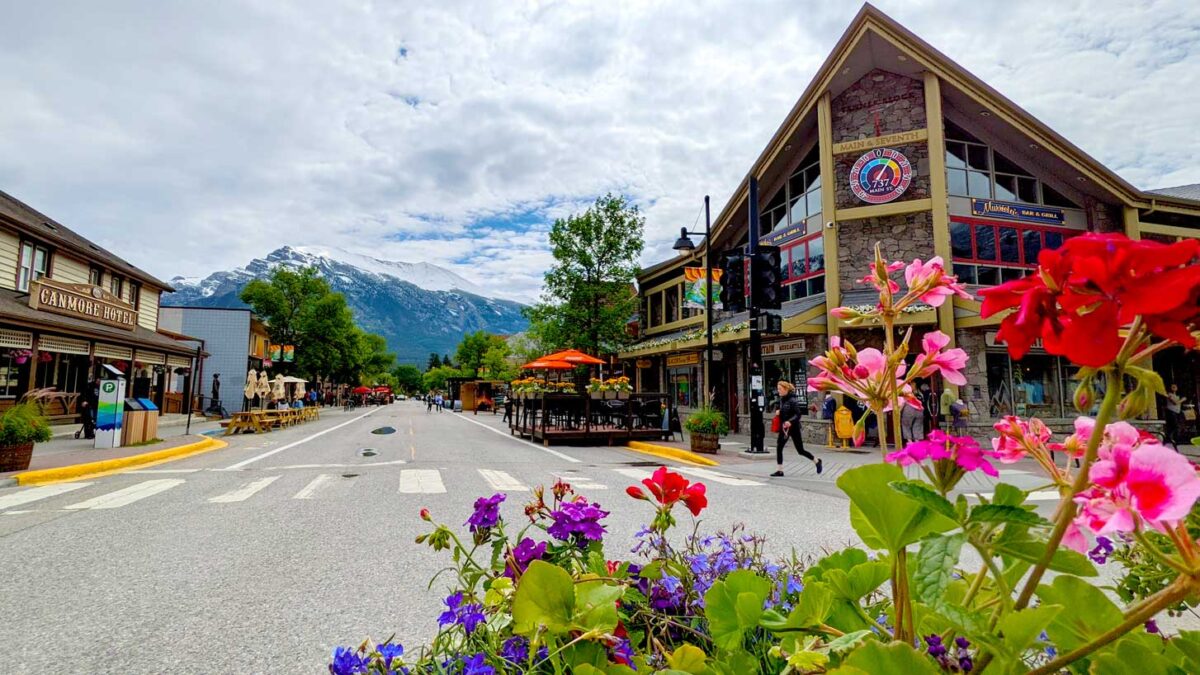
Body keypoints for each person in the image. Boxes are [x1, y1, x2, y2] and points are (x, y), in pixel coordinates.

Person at [771, 381, 822, 477]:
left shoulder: (793, 400)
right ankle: (780, 470)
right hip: (784, 427)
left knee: (800, 450)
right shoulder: (782, 400)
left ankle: (817, 461)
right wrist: (779, 412)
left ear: (786, 389)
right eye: (778, 389)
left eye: (780, 389)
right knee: (779, 447)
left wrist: (790, 421)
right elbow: (784, 411)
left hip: (793, 427)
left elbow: (798, 414)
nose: (778, 391)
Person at [1164, 383, 1186, 449]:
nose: (1174, 388)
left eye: (1175, 387)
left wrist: (1180, 400)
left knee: (1173, 427)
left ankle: (1167, 440)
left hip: (1177, 412)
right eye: (1172, 387)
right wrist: (1182, 400)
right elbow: (1175, 402)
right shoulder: (1169, 394)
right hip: (1171, 412)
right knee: (1175, 426)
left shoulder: (1177, 395)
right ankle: (1175, 440)